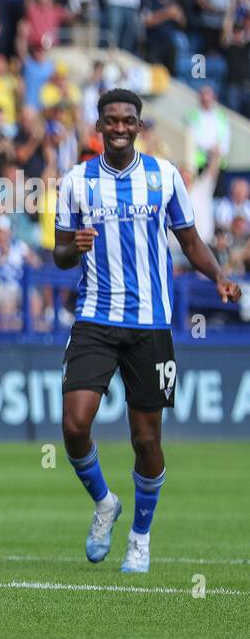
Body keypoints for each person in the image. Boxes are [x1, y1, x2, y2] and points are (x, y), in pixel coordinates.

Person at [54, 89, 241, 574]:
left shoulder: (164, 176)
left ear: (139, 126)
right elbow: (59, 253)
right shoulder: (76, 181)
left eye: (128, 120)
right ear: (99, 125)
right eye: (111, 120)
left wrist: (219, 275)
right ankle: (104, 503)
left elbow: (190, 239)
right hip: (95, 318)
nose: (119, 127)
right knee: (74, 426)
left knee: (146, 440)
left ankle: (140, 537)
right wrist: (73, 246)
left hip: (150, 326)